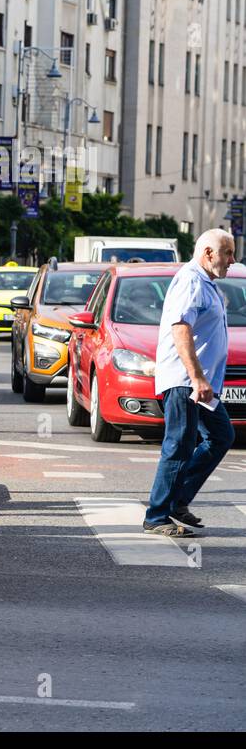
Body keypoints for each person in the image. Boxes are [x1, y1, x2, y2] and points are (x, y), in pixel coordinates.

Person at [144, 228, 237, 536]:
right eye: (228, 253)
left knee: (221, 436)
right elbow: (181, 328)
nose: (232, 260)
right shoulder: (191, 281)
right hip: (186, 381)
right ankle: (157, 516)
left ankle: (177, 500)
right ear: (208, 253)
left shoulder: (206, 283)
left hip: (202, 383)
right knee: (179, 446)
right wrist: (196, 377)